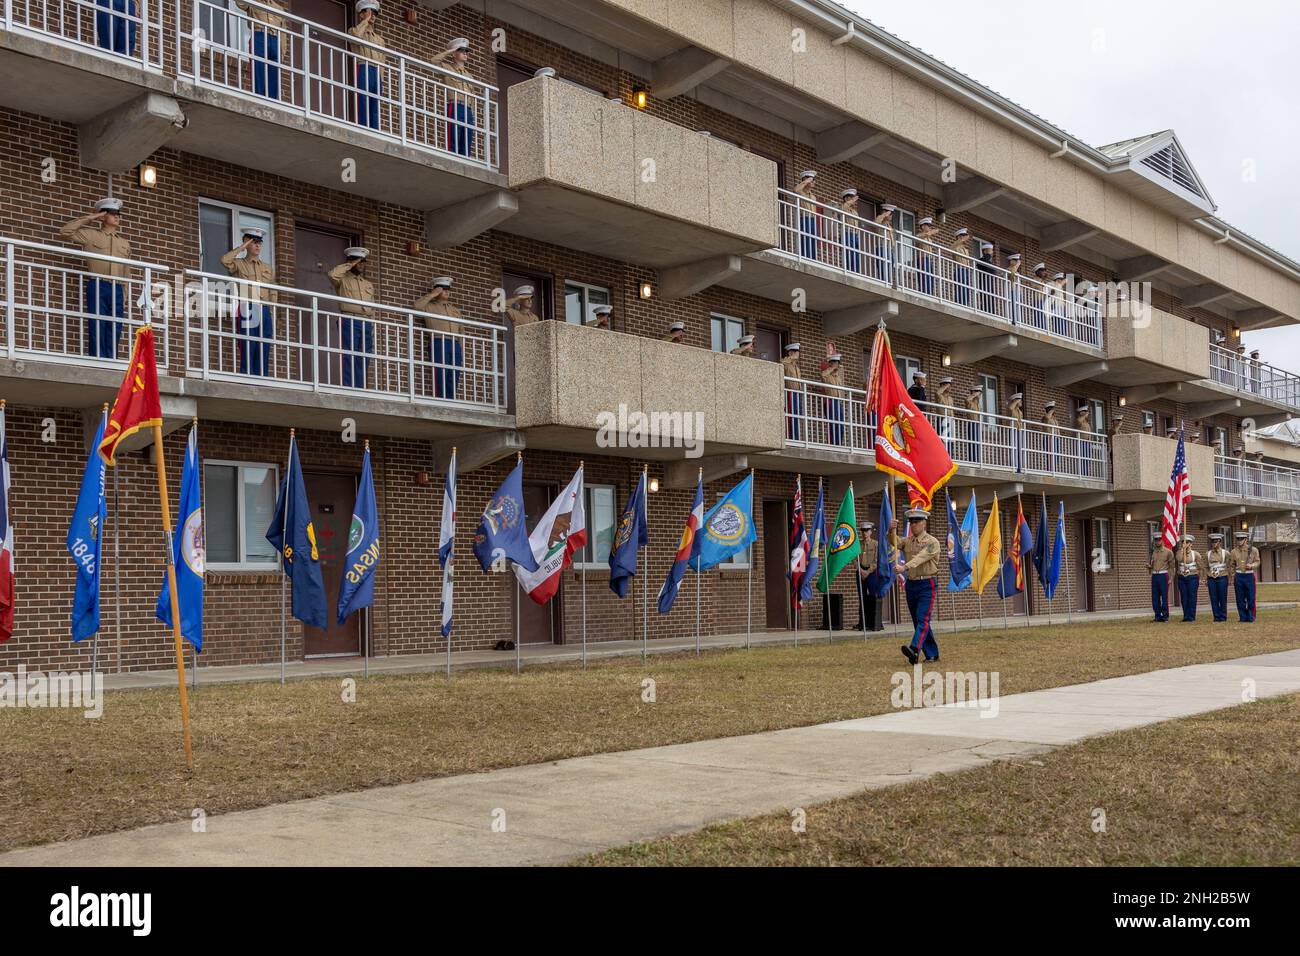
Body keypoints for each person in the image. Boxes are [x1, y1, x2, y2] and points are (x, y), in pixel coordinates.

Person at [59, 198, 132, 360]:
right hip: (98, 284)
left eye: (118, 214)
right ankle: (98, 357)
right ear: (103, 216)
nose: (117, 217)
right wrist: (90, 218)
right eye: (112, 214)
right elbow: (65, 232)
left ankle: (111, 358)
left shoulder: (124, 242)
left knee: (115, 325)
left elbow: (127, 271)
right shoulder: (91, 235)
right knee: (97, 322)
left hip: (117, 288)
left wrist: (125, 293)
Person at [220, 227, 277, 377]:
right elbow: (225, 260)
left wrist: (273, 310)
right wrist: (241, 248)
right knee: (248, 344)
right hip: (249, 307)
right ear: (247, 242)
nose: (258, 245)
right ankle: (247, 375)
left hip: (264, 309)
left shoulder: (267, 268)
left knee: (264, 344)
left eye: (259, 242)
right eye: (254, 242)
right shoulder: (239, 264)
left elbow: (273, 290)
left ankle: (262, 376)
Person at [892, 508, 941, 664]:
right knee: (919, 621)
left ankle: (914, 650)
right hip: (912, 584)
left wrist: (905, 567)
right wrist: (890, 530)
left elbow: (921, 557)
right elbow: (894, 542)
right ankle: (932, 653)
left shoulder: (932, 542)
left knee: (922, 619)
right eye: (911, 522)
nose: (913, 525)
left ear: (924, 523)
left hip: (927, 583)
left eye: (916, 522)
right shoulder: (908, 541)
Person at [328, 246, 376, 388]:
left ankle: (360, 386)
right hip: (349, 319)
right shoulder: (342, 279)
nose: (361, 265)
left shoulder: (368, 284)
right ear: (351, 261)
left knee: (364, 355)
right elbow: (332, 275)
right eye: (358, 261)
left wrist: (372, 323)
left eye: (363, 262)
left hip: (365, 322)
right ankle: (349, 386)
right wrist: (349, 265)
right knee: (349, 354)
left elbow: (372, 306)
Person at [414, 276, 463, 399]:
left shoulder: (454, 309)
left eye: (448, 289)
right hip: (439, 341)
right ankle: (440, 399)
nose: (446, 292)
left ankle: (451, 400)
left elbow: (461, 329)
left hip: (455, 344)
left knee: (454, 374)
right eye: (443, 289)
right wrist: (432, 295)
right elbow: (416, 307)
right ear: (436, 290)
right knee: (440, 373)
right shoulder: (429, 306)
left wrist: (460, 346)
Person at [432, 38, 478, 158]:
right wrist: (449, 51)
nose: (465, 53)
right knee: (453, 137)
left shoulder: (469, 75)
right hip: (455, 105)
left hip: (468, 109)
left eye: (466, 51)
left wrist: (472, 112)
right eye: (461, 50)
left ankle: (465, 160)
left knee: (466, 140)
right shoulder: (447, 68)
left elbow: (472, 97)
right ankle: (452, 158)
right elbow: (433, 61)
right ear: (454, 53)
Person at [236, 0, 288, 100]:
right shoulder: (253, 1)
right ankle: (258, 98)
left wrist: (282, 51)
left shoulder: (279, 8)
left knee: (274, 72)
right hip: (259, 34)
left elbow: (283, 33)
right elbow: (240, 3)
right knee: (258, 68)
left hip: (274, 39)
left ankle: (271, 101)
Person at [348, 0, 387, 131]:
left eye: (375, 13)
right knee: (363, 100)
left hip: (376, 71)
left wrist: (381, 77)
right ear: (361, 14)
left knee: (375, 104)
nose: (373, 16)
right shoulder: (354, 30)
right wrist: (365, 21)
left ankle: (375, 129)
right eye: (369, 12)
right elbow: (356, 37)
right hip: (363, 67)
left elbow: (382, 60)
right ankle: (363, 127)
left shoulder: (380, 40)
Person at [1228, 530, 1260, 622]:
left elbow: (1257, 561)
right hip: (1238, 576)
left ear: (1246, 539)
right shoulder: (1233, 552)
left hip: (1249, 576)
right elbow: (1232, 565)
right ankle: (1242, 617)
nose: (1239, 541)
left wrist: (1251, 565)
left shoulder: (1253, 550)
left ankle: (1250, 617)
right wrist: (1232, 575)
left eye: (1241, 539)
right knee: (1240, 598)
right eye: (1238, 539)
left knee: (1250, 597)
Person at [857, 521, 883, 631]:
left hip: (871, 573)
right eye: (863, 531)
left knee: (873, 597)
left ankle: (876, 622)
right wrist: (860, 570)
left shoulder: (875, 544)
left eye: (866, 531)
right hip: (860, 571)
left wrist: (868, 572)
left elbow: (877, 560)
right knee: (862, 598)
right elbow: (854, 559)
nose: (864, 533)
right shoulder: (858, 544)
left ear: (871, 532)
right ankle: (862, 623)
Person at [1175, 534, 1206, 622]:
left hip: (1192, 577)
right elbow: (1179, 559)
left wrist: (1201, 578)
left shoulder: (1195, 554)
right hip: (1182, 577)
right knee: (1184, 597)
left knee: (1192, 597)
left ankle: (1192, 616)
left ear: (1191, 544)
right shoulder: (1179, 552)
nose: (1185, 543)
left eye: (1187, 542)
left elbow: (1201, 567)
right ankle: (1186, 616)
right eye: (1183, 542)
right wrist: (1182, 550)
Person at [820, 351, 845, 445]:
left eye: (838, 363)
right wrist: (831, 368)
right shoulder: (827, 375)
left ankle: (839, 443)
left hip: (839, 402)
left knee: (841, 426)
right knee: (833, 424)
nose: (837, 365)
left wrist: (838, 369)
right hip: (831, 402)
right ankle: (833, 443)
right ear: (831, 363)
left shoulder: (838, 377)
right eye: (835, 362)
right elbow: (822, 375)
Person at [1205, 532, 1231, 622]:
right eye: (1212, 542)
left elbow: (1229, 566)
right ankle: (1216, 617)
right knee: (1213, 598)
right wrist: (1205, 578)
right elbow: (1206, 567)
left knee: (1222, 598)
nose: (1214, 543)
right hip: (1211, 578)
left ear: (1220, 542)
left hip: (1222, 577)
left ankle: (1223, 617)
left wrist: (1230, 577)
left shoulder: (1226, 553)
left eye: (1216, 541)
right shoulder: (1207, 554)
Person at [793, 170, 819, 261]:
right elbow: (796, 190)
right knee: (805, 239)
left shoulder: (813, 197)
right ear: (805, 180)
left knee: (813, 240)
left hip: (812, 219)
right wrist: (806, 181)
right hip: (804, 218)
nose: (813, 182)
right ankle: (805, 257)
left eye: (813, 180)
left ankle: (812, 258)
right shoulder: (801, 191)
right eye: (812, 180)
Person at [1147, 531, 1173, 622]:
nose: (1157, 541)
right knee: (1155, 597)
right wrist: (1149, 567)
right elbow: (1152, 564)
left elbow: (1172, 566)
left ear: (1162, 540)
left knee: (1164, 596)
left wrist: (1171, 577)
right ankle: (1157, 616)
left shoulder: (1168, 552)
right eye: (1156, 540)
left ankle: (1165, 616)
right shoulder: (1153, 552)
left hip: (1163, 575)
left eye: (1159, 539)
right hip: (1155, 575)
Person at [782, 342, 802, 442]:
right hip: (790, 393)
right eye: (796, 352)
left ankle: (796, 437)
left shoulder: (796, 367)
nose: (798, 354)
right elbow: (781, 364)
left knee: (797, 416)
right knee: (791, 415)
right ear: (791, 353)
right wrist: (790, 357)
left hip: (797, 393)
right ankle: (791, 437)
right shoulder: (786, 363)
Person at [839, 189, 863, 274]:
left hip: (855, 234)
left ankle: (855, 271)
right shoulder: (843, 207)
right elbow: (844, 208)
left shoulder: (855, 212)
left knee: (855, 255)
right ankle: (848, 270)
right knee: (848, 253)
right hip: (847, 233)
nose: (854, 201)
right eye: (851, 198)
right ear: (846, 199)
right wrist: (851, 201)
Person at [914, 216, 939, 297]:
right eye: (928, 225)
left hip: (928, 259)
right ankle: (924, 293)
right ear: (923, 226)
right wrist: (931, 233)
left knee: (930, 278)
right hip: (922, 258)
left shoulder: (929, 238)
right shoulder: (919, 235)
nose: (930, 227)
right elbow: (918, 238)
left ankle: (929, 293)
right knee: (923, 277)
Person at [873, 203, 897, 283]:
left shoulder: (889, 226)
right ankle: (883, 281)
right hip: (881, 247)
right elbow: (876, 223)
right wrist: (883, 215)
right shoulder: (880, 220)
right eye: (890, 214)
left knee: (890, 266)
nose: (891, 216)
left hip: (889, 248)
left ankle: (889, 281)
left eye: (891, 214)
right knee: (882, 265)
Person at [951, 227, 973, 307]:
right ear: (959, 237)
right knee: (960, 288)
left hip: (966, 270)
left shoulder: (965, 249)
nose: (966, 238)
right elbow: (952, 248)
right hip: (959, 269)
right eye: (963, 235)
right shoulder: (955, 247)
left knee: (966, 288)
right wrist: (961, 240)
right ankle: (959, 303)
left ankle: (965, 304)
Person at [975, 241, 998, 315]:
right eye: (990, 250)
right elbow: (984, 265)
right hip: (984, 281)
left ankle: (992, 312)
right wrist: (987, 254)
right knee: (985, 297)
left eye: (991, 251)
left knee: (991, 298)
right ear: (984, 251)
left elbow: (993, 271)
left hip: (990, 282)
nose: (991, 253)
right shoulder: (981, 260)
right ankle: (985, 311)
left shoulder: (989, 262)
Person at [1008, 392, 1024, 472]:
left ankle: (1019, 467)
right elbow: (1010, 408)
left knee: (1019, 449)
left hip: (1019, 430)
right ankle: (1014, 466)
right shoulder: (1012, 409)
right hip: (1013, 430)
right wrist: (1015, 401)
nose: (1021, 402)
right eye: (1020, 400)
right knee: (1014, 448)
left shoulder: (1020, 411)